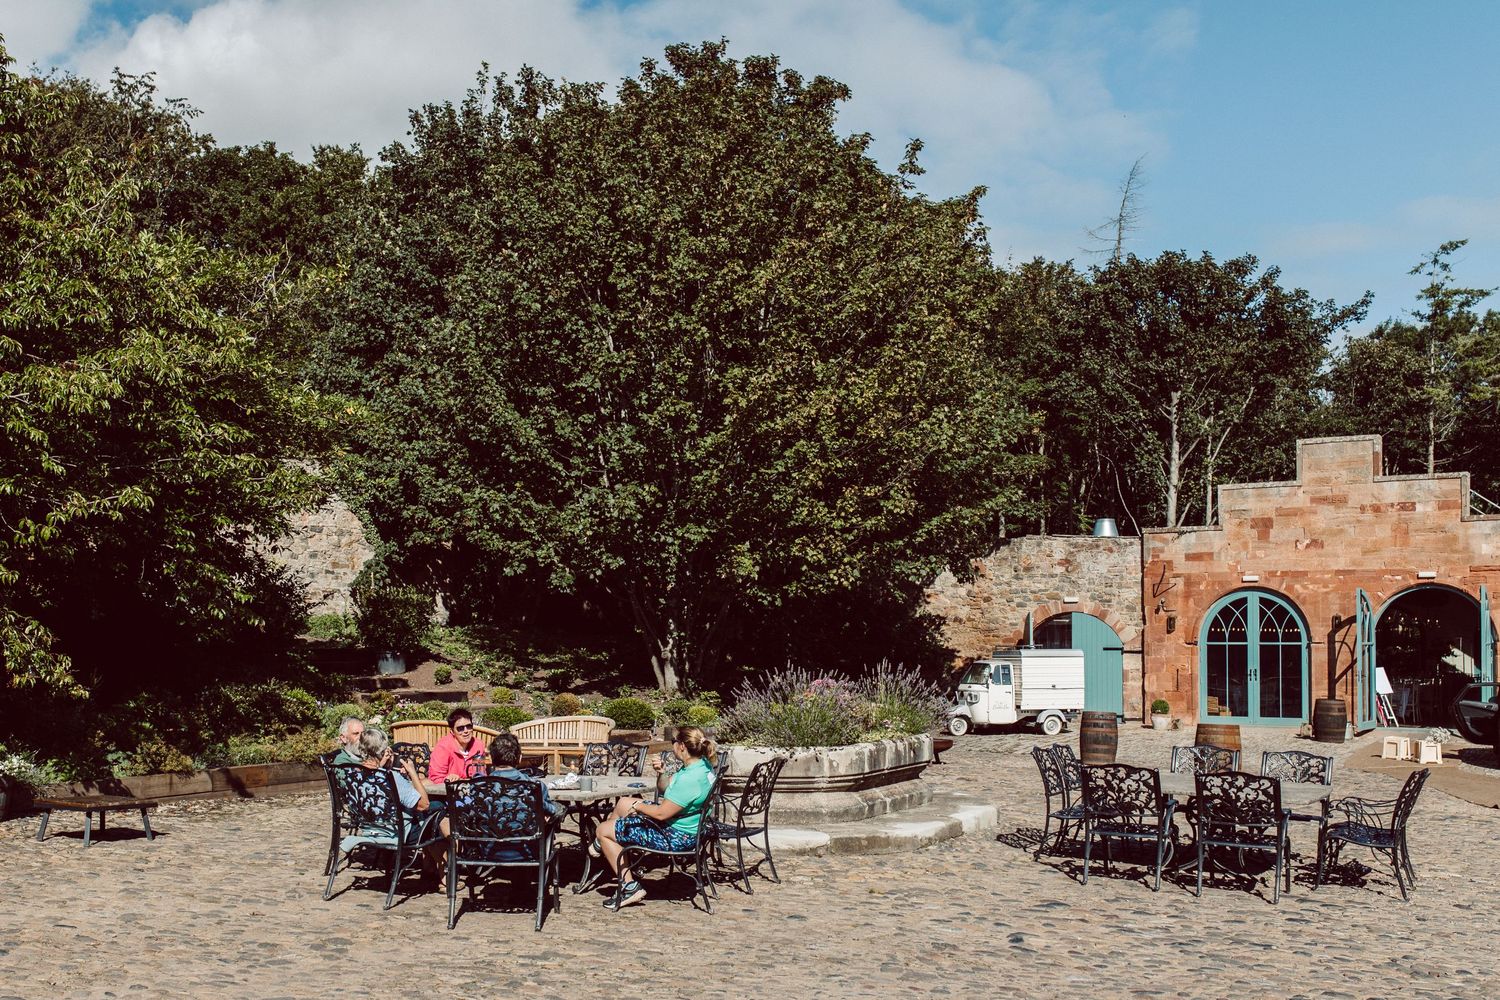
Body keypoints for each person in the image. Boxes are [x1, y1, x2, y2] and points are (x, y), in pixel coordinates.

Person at [593, 725, 716, 910]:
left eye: (673, 742)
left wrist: (639, 806)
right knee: (624, 802)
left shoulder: (691, 779)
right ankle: (611, 850)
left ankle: (629, 886)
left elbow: (661, 813)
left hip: (677, 836)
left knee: (603, 829)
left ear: (682, 746)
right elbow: (665, 789)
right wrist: (661, 773)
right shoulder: (700, 765)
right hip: (686, 825)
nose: (672, 745)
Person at [356, 727, 447, 877]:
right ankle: (444, 875)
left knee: (429, 815)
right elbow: (424, 804)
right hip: (396, 832)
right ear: (385, 751)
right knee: (438, 810)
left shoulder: (355, 775)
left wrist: (384, 765)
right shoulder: (391, 778)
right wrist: (412, 772)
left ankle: (429, 867)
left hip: (370, 828)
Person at [428, 707, 488, 783]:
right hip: (447, 791)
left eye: (469, 726)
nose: (466, 731)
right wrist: (447, 779)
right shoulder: (443, 747)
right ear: (452, 731)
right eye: (460, 728)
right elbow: (435, 778)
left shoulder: (478, 746)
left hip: (472, 790)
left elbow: (480, 775)